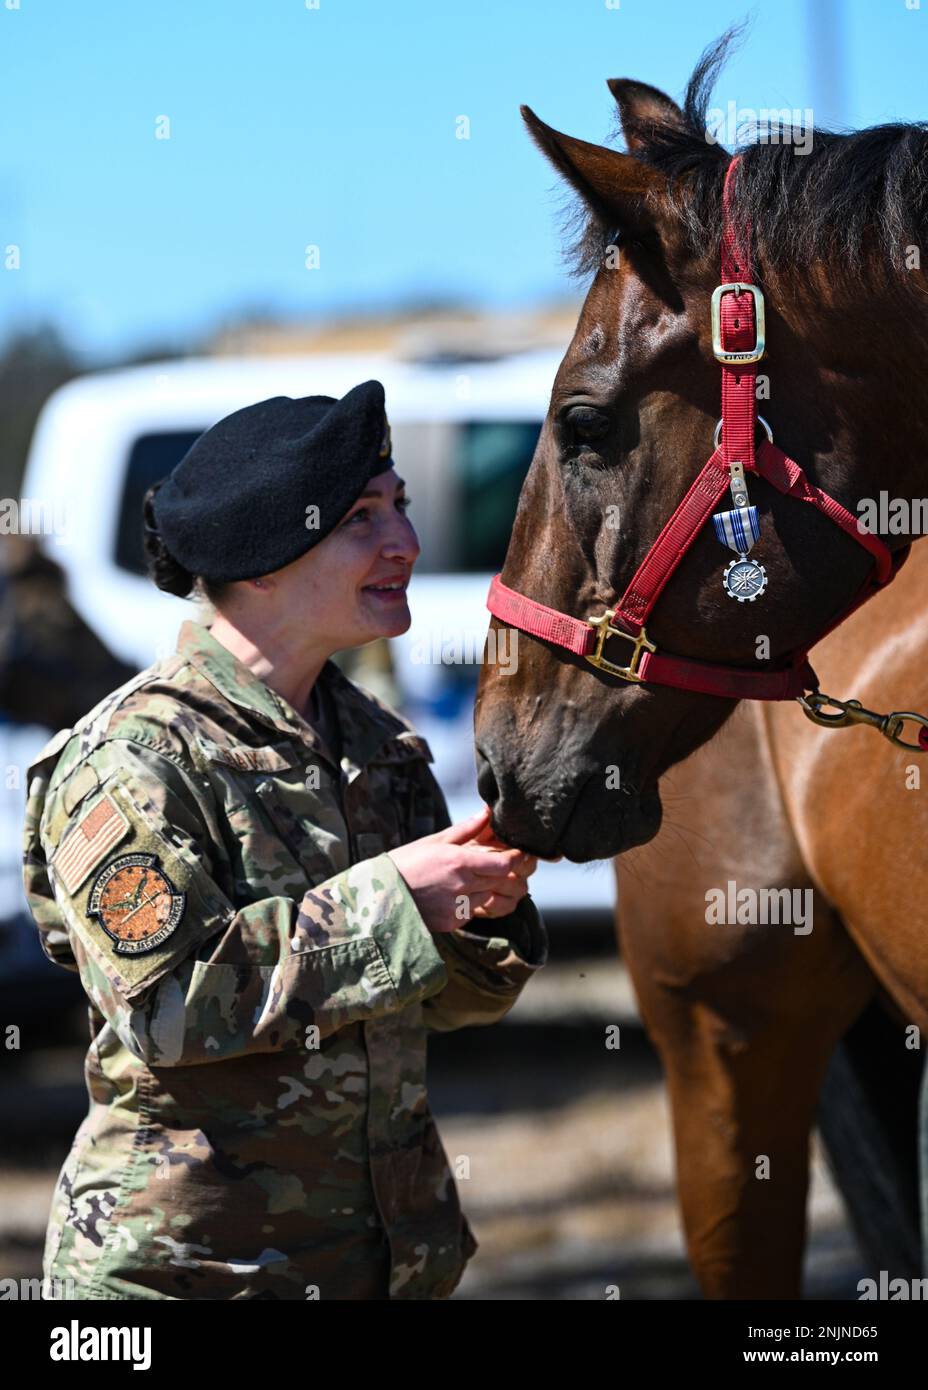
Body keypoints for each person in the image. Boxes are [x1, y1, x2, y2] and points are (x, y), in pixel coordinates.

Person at [22, 379, 549, 1301]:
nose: (406, 545)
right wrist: (402, 903)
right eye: (361, 518)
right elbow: (171, 1006)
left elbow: (436, 1006)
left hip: (380, 1265)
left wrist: (482, 908)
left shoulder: (377, 745)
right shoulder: (133, 757)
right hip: (190, 1276)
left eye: (401, 509)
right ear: (261, 560)